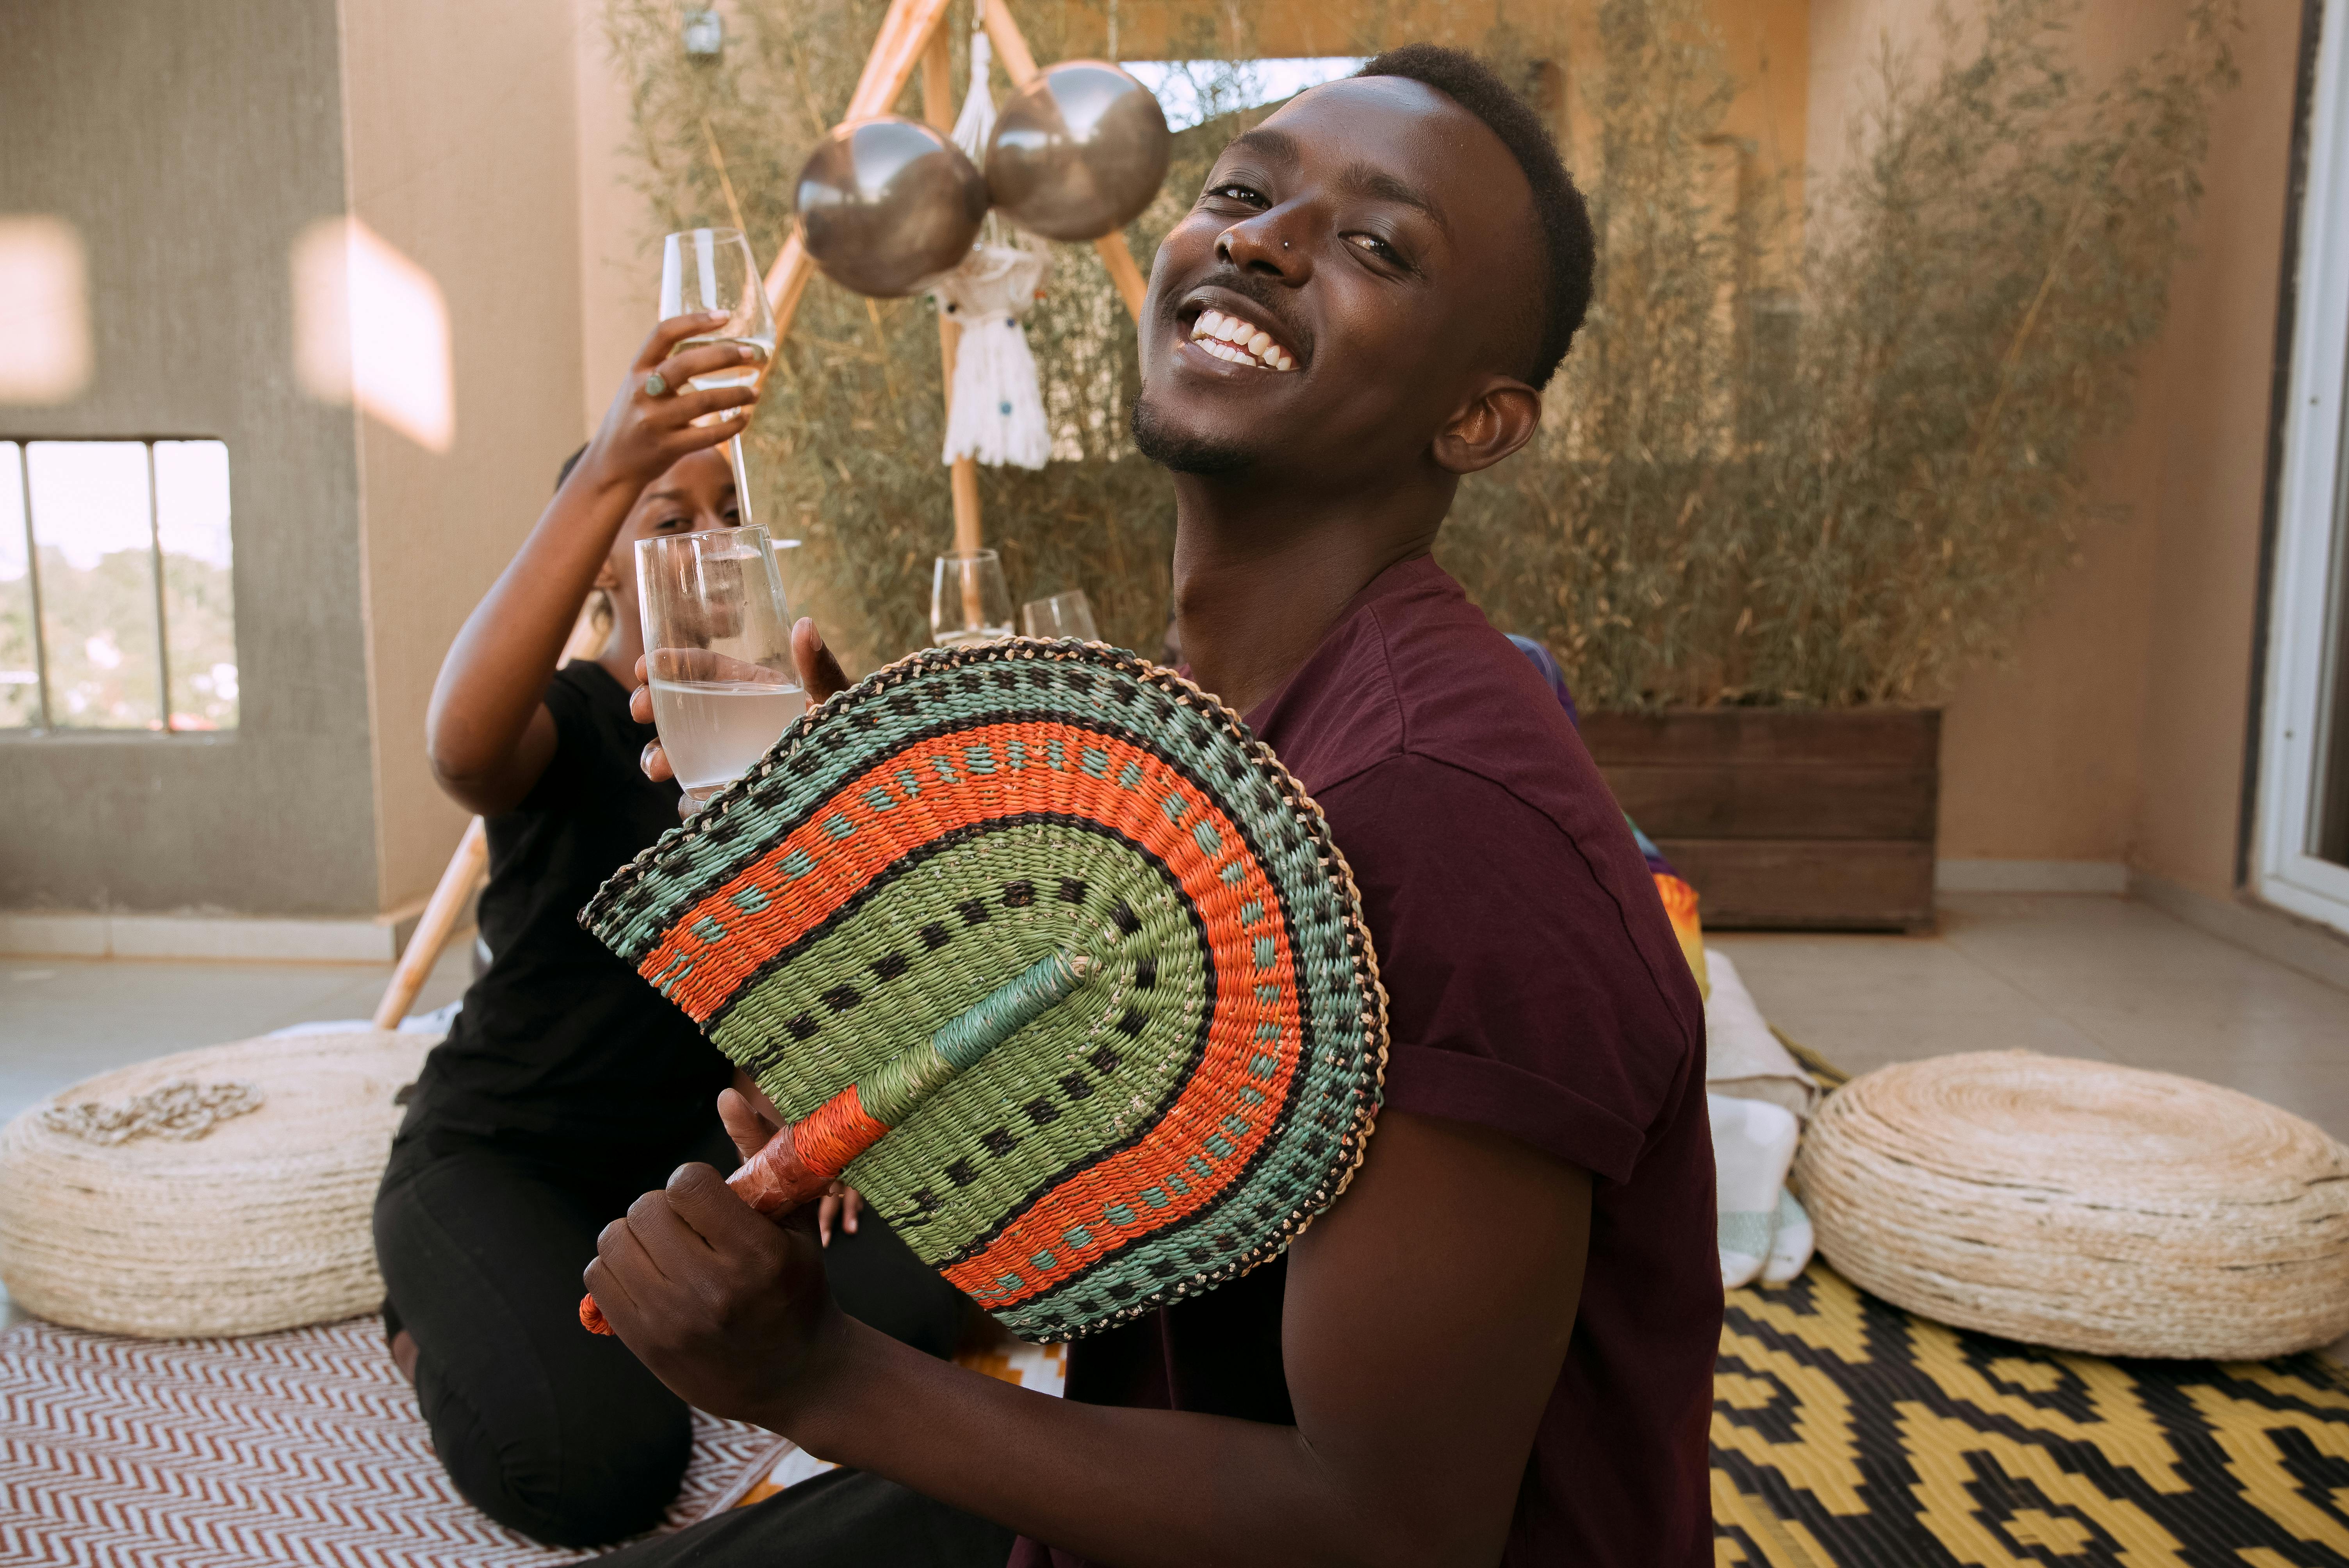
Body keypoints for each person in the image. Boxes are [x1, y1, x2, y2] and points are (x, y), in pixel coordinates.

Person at [587, 45, 1719, 1566]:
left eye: (1376, 244)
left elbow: (1393, 1522)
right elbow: (1197, 1154)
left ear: (1480, 421)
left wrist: (816, 1373)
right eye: (1243, 191)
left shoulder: (1447, 831)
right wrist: (900, 1033)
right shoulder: (1238, 711)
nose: (1256, 238)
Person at [374, 315, 968, 1548]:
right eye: (666, 519)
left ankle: (586, 1309)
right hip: (509, 1153)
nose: (707, 542)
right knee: (602, 1471)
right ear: (601, 561)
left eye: (723, 514)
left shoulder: (779, 718)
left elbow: (843, 955)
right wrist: (607, 464)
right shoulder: (574, 719)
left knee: (934, 1289)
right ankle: (437, 1314)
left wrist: (828, 1107)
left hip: (691, 1156)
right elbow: (460, 746)